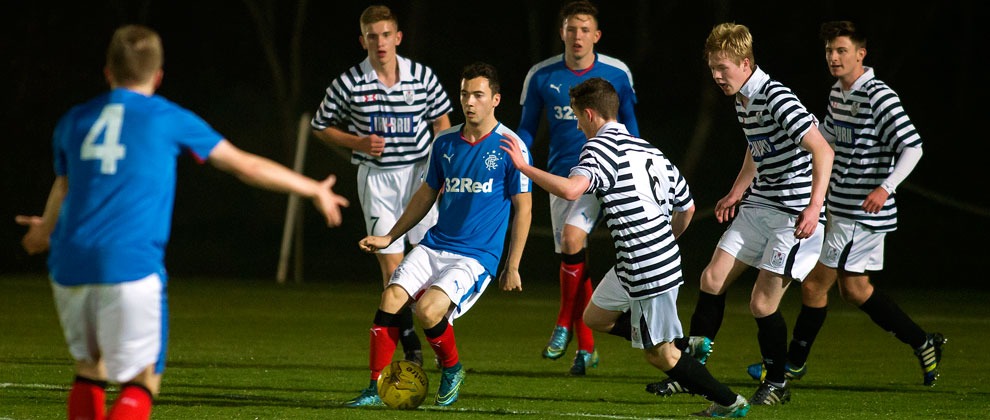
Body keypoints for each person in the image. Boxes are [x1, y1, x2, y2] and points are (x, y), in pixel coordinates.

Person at [15, 25, 349, 420]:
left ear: (108, 72)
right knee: (142, 380)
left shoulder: (74, 120)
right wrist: (313, 188)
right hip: (131, 266)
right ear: (157, 76)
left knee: (91, 369)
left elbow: (63, 186)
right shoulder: (168, 118)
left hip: (69, 266)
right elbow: (246, 165)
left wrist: (43, 231)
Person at [502, 77, 750, 418]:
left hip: (646, 266)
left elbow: (573, 190)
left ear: (589, 114)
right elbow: (687, 207)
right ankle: (671, 339)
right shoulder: (648, 148)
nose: (576, 124)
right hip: (639, 262)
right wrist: (665, 239)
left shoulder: (600, 148)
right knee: (595, 316)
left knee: (658, 355)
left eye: (576, 117)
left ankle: (728, 401)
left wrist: (524, 168)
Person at [744, 20, 943, 387]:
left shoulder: (880, 96)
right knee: (853, 289)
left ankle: (792, 364)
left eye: (841, 51)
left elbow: (913, 146)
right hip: (839, 206)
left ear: (860, 54)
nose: (833, 58)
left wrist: (885, 187)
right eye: (829, 51)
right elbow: (827, 140)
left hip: (860, 213)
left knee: (814, 286)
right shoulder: (838, 93)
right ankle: (922, 341)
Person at [647, 23, 834, 406]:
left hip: (792, 214)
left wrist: (814, 207)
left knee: (761, 304)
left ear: (745, 63)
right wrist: (737, 189)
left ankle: (778, 382)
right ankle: (690, 373)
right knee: (711, 278)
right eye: (712, 68)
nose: (716, 75)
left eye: (723, 67)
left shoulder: (775, 96)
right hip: (760, 204)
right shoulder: (742, 99)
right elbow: (757, 146)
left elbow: (823, 150)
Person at [345, 62, 532, 407]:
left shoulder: (511, 146)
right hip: (435, 244)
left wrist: (513, 265)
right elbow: (425, 195)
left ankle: (452, 368)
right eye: (464, 94)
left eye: (478, 95)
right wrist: (389, 237)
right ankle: (374, 387)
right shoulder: (444, 141)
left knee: (429, 312)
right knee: (390, 299)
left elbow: (524, 209)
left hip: (476, 255)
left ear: (495, 99)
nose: (469, 102)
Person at [310, 4, 453, 366]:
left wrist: (444, 170)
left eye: (386, 34)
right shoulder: (349, 83)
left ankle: (439, 342)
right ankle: (411, 349)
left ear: (398, 37)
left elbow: (442, 123)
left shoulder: (422, 77)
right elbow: (320, 125)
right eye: (372, 36)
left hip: (420, 179)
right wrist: (357, 143)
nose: (380, 42)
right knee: (394, 270)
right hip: (378, 180)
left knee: (430, 264)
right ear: (363, 41)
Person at [517, 0, 638, 375]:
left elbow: (632, 127)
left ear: (596, 35)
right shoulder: (541, 76)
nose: (578, 35)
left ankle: (564, 323)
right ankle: (587, 349)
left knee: (573, 243)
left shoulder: (617, 73)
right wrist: (517, 161)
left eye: (585, 29)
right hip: (563, 177)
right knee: (576, 255)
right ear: (562, 33)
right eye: (572, 28)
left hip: (607, 174)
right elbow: (526, 128)